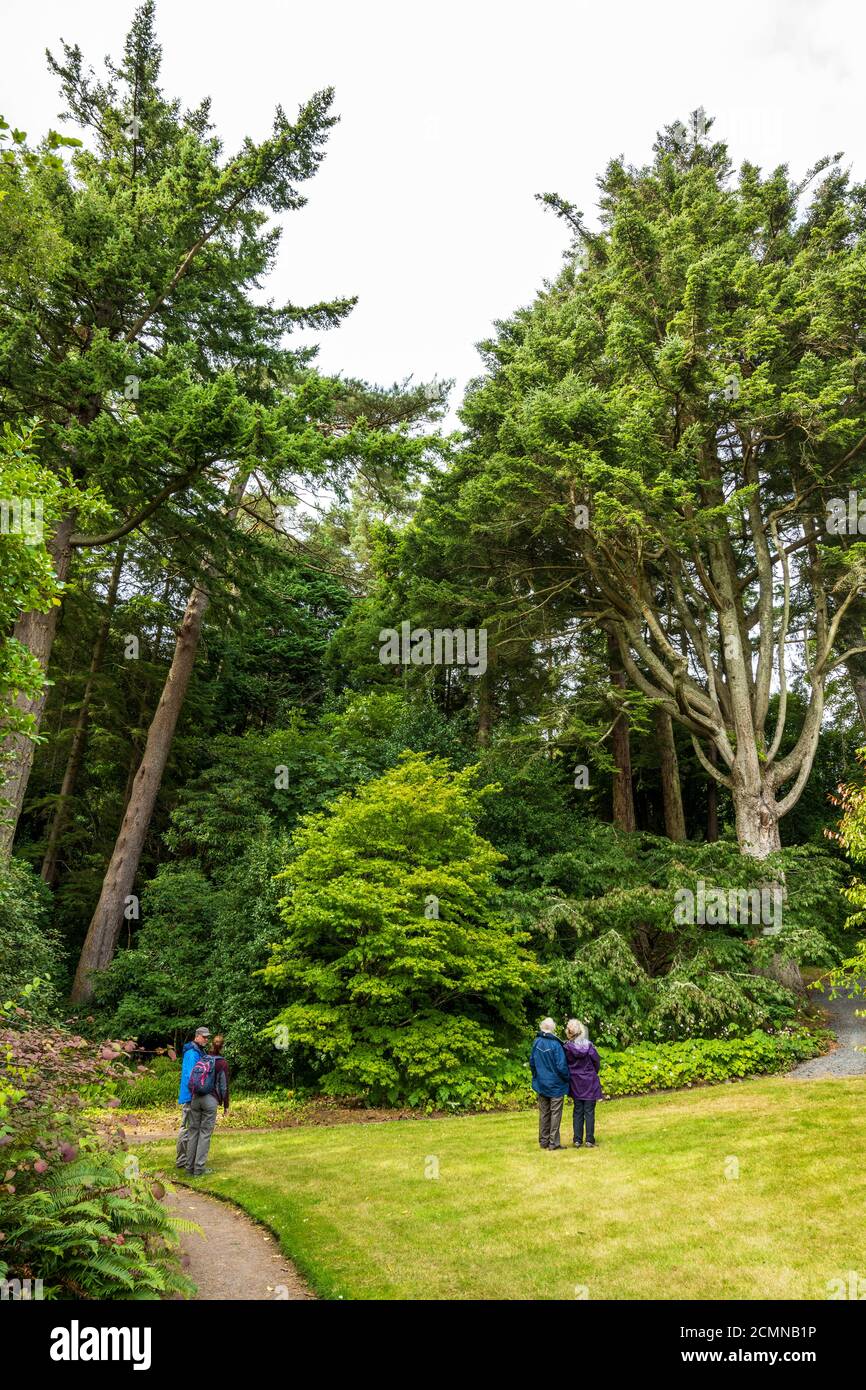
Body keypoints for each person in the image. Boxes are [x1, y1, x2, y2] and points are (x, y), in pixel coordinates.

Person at [185, 1034, 230, 1177]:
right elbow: (224, 1087)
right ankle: (199, 1169)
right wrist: (226, 1106)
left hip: (196, 1098)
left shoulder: (203, 1058)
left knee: (193, 1132)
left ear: (211, 1045)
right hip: (210, 1100)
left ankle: (189, 1167)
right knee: (204, 1134)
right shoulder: (222, 1063)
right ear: (222, 1047)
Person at [530, 1017, 570, 1150]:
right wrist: (567, 1078)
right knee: (555, 1113)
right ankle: (553, 1143)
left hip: (541, 1083)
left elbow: (532, 1063)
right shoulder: (555, 1045)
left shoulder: (537, 1042)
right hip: (555, 1085)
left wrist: (536, 1076)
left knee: (544, 1113)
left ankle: (543, 1141)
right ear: (553, 1028)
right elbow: (561, 1066)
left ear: (542, 1027)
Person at [564, 1018, 602, 1148]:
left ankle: (577, 1139)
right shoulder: (589, 1045)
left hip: (575, 1081)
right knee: (589, 1111)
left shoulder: (567, 1048)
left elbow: (565, 1064)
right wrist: (591, 1072)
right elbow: (597, 1063)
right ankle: (589, 1140)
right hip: (589, 1081)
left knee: (578, 1110)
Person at [176, 1026, 210, 1170]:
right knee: (187, 1128)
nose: (206, 1039)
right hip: (191, 1096)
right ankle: (182, 1160)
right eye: (204, 1037)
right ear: (197, 1036)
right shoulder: (191, 1052)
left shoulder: (199, 1051)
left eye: (208, 1037)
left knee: (193, 1128)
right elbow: (191, 1075)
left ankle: (189, 1160)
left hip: (195, 1094)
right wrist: (197, 1092)